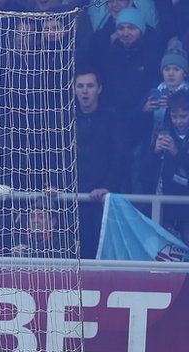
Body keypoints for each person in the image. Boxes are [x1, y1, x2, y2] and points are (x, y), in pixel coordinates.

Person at [74, 69, 130, 258]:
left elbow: (121, 157)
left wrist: (107, 186)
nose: (85, 90)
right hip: (73, 200)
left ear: (99, 89)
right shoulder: (66, 120)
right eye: (80, 86)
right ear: (74, 89)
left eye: (90, 86)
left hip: (104, 202)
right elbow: (58, 156)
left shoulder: (113, 119)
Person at [140, 89, 189, 238]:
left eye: (183, 116)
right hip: (164, 205)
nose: (178, 121)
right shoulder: (161, 133)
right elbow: (144, 172)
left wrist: (177, 153)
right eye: (175, 116)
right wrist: (154, 152)